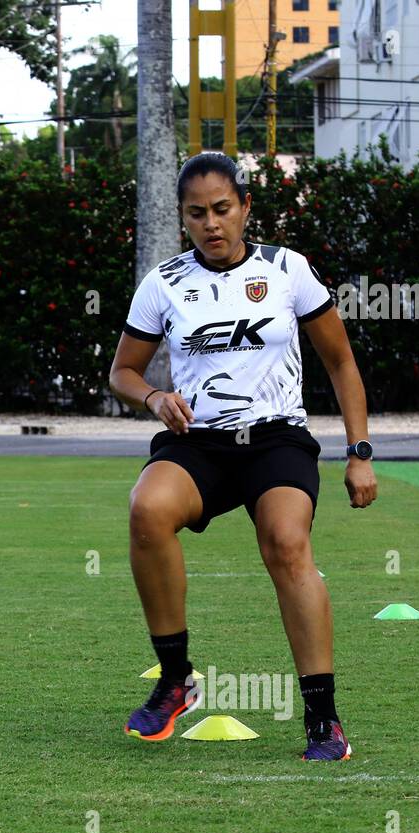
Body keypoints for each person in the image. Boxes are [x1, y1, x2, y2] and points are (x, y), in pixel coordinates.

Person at [108, 152, 378, 761]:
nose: (211, 224)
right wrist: (153, 397)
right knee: (146, 509)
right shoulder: (165, 283)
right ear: (183, 219)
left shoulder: (288, 271)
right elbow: (122, 372)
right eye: (196, 213)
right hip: (198, 442)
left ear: (246, 208)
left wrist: (359, 451)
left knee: (286, 543)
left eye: (222, 209)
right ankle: (176, 681)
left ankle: (323, 718)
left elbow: (340, 362)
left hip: (275, 439)